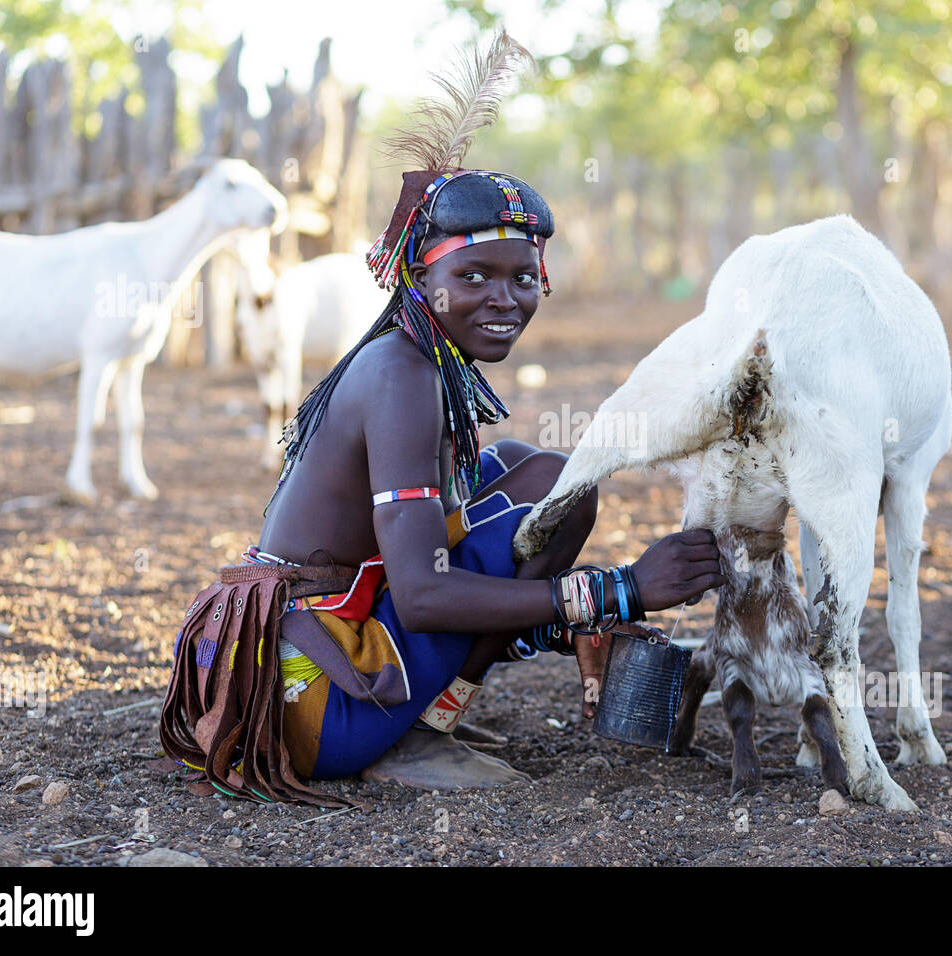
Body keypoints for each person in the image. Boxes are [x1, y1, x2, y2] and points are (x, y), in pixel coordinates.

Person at [158, 34, 723, 804]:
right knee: (534, 514)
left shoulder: (429, 361)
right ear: (419, 277)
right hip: (303, 704)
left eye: (523, 277)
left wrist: (569, 620)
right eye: (475, 275)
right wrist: (619, 592)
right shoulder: (399, 375)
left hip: (308, 644)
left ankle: (433, 713)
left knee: (552, 479)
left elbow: (453, 548)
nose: (504, 298)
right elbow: (423, 596)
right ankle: (409, 731)